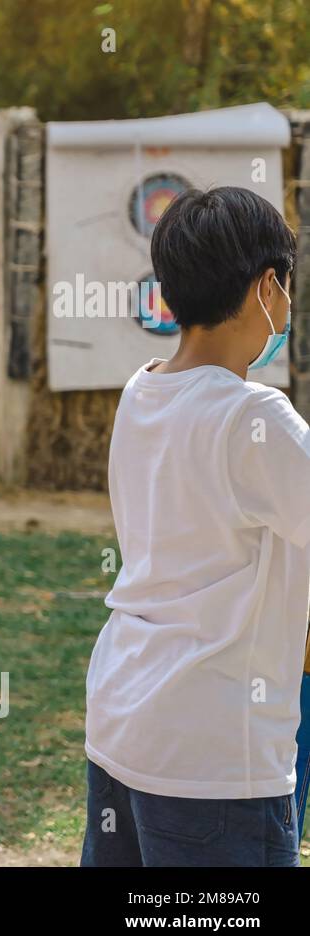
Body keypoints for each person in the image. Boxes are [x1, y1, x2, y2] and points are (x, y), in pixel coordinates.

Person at [82, 185, 305, 866]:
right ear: (268, 288)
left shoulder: (142, 387)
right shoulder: (252, 417)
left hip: (125, 717)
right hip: (213, 755)